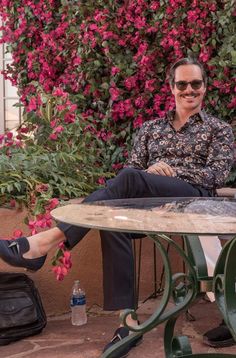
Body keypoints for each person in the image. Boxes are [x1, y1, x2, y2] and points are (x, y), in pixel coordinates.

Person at [0, 57, 234, 357]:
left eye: (196, 84)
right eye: (182, 84)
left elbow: (215, 175)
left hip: (195, 200)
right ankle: (128, 323)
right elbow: (134, 170)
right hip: (151, 203)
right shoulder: (151, 129)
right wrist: (149, 176)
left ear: (205, 87)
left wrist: (171, 171)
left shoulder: (219, 129)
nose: (190, 90)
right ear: (171, 87)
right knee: (113, 215)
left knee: (126, 182)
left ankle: (43, 243)